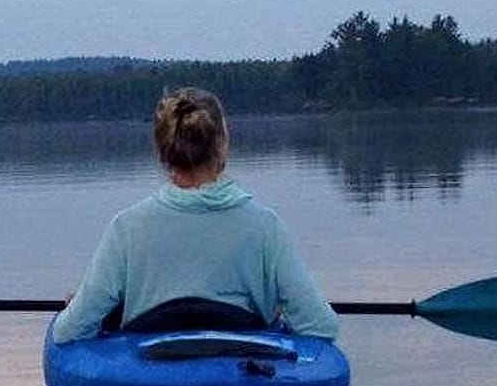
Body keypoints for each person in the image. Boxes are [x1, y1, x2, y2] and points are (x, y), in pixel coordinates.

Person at [51, 87, 338, 343]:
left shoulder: (127, 228)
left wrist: (92, 312)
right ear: (223, 143)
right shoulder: (265, 226)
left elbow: (68, 331)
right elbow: (321, 326)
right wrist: (277, 316)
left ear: (162, 151)